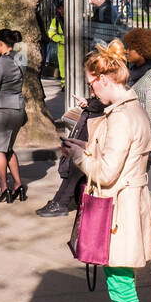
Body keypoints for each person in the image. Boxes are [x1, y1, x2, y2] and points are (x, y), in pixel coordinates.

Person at [63, 39, 151, 302]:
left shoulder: (122, 117)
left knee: (123, 292)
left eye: (92, 82)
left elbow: (105, 172)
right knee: (119, 290)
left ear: (105, 78)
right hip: (123, 206)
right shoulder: (128, 111)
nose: (91, 88)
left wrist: (78, 158)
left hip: (119, 209)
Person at [36, 78, 105, 217]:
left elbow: (104, 103)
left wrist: (89, 103)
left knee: (76, 167)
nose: (91, 92)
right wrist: (89, 102)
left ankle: (61, 202)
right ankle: (62, 200)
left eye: (91, 85)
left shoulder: (107, 90)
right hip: (87, 129)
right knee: (74, 166)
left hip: (94, 133)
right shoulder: (97, 95)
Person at [0, 27, 27, 202]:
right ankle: (18, 184)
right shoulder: (21, 59)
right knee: (8, 148)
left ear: (1, 43)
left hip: (1, 110)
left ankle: (4, 189)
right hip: (17, 108)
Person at [123, 27, 151, 143]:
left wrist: (143, 143)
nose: (126, 51)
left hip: (143, 140)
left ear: (141, 50)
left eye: (130, 48)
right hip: (130, 134)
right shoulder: (132, 73)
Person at [47, 0, 65, 84]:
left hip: (72, 47)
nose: (62, 10)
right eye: (61, 8)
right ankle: (64, 84)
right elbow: (51, 34)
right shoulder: (56, 21)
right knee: (62, 67)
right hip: (61, 48)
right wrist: (62, 39)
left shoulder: (73, 19)